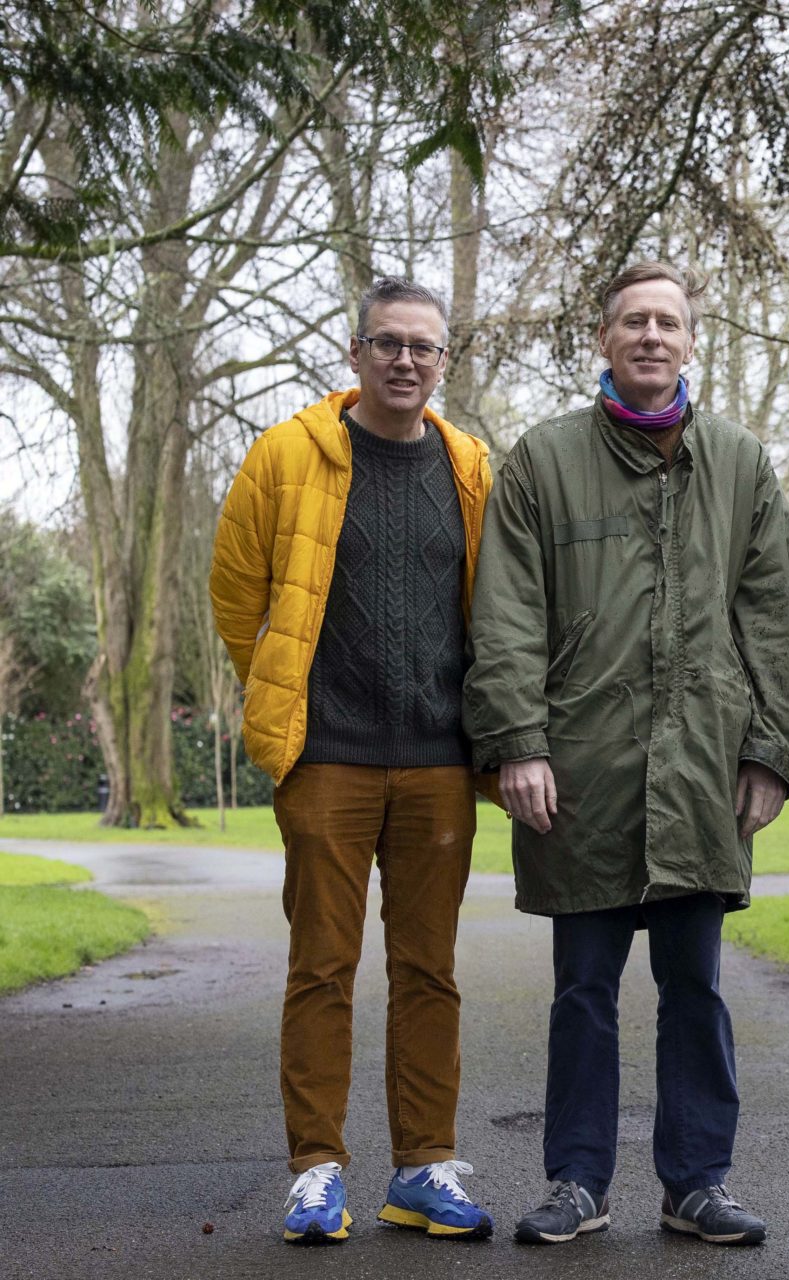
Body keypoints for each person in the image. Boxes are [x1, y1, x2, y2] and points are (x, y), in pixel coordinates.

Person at [463, 260, 789, 1249]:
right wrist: (518, 741)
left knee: (696, 987)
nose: (650, 335)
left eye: (668, 321)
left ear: (691, 340)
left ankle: (697, 1182)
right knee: (582, 990)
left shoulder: (740, 461)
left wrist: (771, 750)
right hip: (582, 771)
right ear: (603, 340)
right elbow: (507, 614)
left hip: (704, 770)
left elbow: (772, 613)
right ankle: (576, 1179)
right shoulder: (542, 460)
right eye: (632, 321)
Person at [209, 277, 496, 1244]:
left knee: (430, 972)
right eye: (387, 344)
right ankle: (315, 1172)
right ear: (355, 353)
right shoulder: (287, 455)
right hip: (325, 759)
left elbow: (491, 605)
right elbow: (237, 595)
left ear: (445, 361)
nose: (405, 360)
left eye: (424, 347)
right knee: (320, 969)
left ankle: (421, 1167)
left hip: (438, 767)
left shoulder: (470, 467)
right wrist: (288, 693)